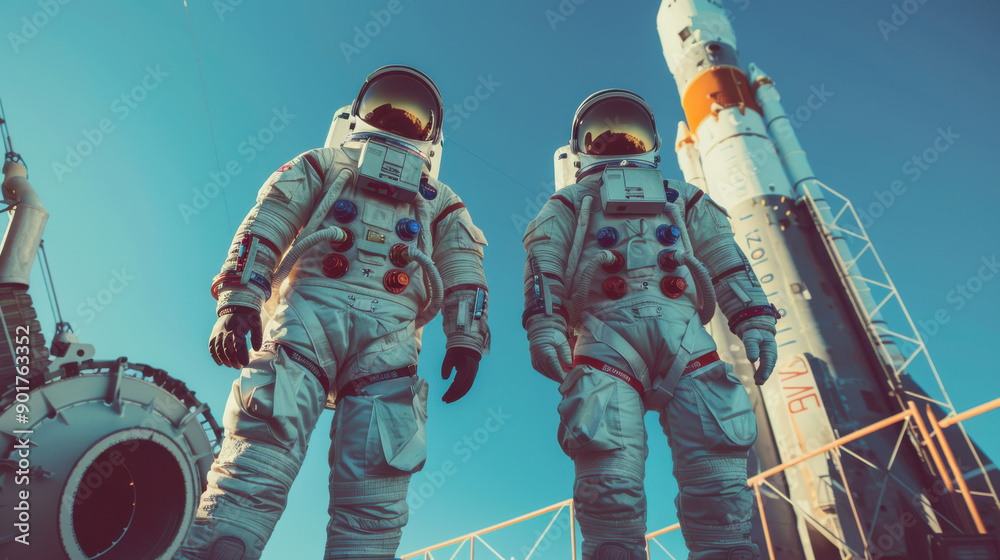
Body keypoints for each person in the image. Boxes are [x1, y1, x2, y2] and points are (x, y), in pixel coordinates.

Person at [176, 65, 490, 560]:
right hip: (307, 315)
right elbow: (268, 223)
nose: (397, 117)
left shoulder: (439, 200)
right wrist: (239, 301)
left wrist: (466, 338)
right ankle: (223, 544)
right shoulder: (324, 164)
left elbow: (463, 267)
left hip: (385, 337)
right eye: (388, 105)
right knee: (256, 457)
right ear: (361, 113)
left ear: (430, 132)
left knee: (377, 487)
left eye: (410, 111)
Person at [521, 89, 778, 560]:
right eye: (604, 134)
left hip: (686, 340)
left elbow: (725, 258)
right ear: (581, 147)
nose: (617, 140)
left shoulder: (683, 198)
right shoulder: (570, 204)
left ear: (651, 142)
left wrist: (753, 316)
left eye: (629, 131)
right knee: (608, 475)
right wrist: (546, 326)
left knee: (718, 464)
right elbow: (545, 268)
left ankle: (724, 549)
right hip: (605, 343)